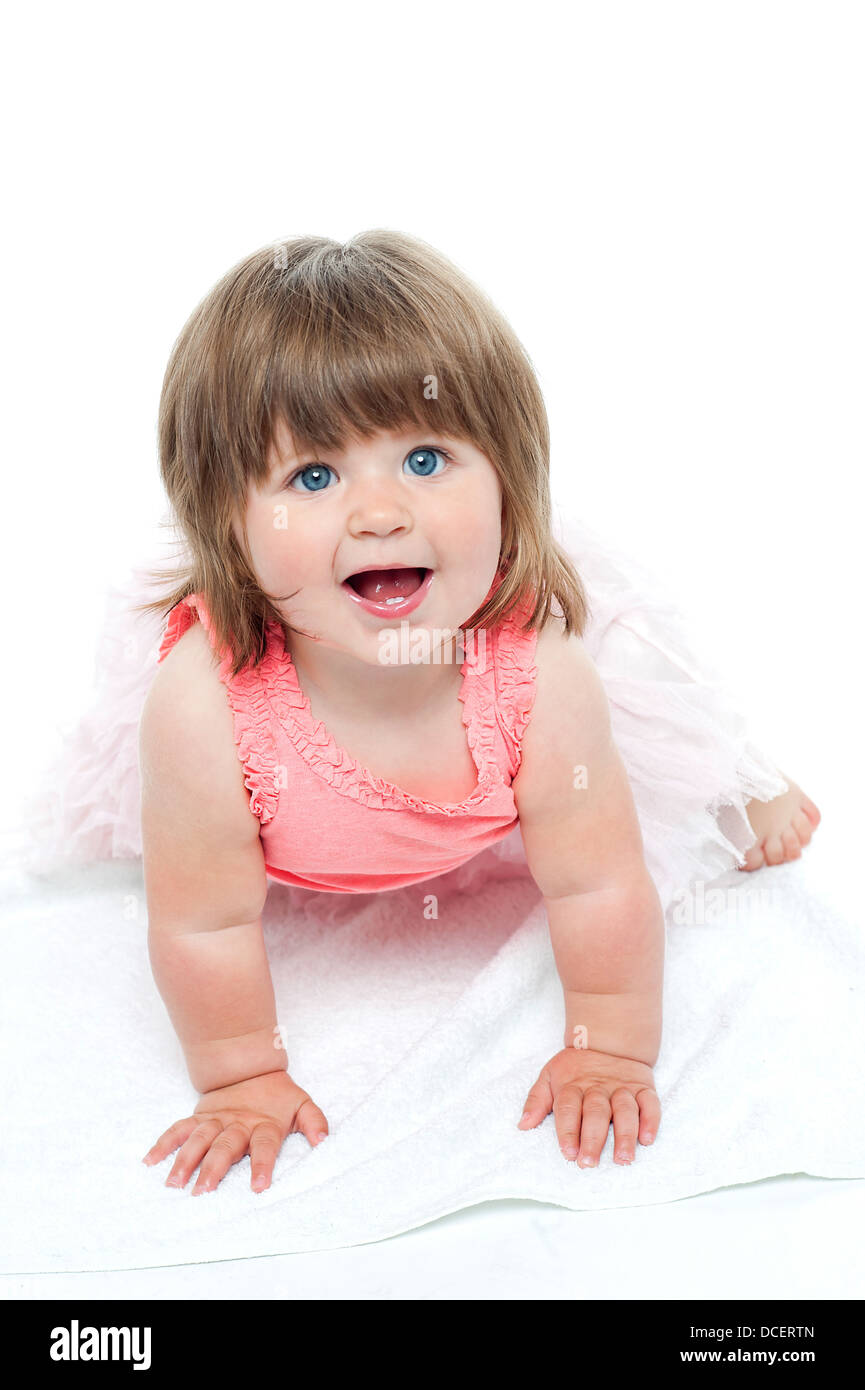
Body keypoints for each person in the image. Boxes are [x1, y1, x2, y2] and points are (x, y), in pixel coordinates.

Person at [64, 230, 822, 1195]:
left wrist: (610, 1046)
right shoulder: (205, 708)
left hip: (535, 730)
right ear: (228, 525)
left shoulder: (541, 670)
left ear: (509, 477)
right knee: (190, 839)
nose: (380, 514)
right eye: (312, 477)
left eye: (426, 459)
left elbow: (595, 886)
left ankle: (742, 785)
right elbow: (203, 923)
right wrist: (242, 1075)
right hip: (290, 778)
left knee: (661, 748)